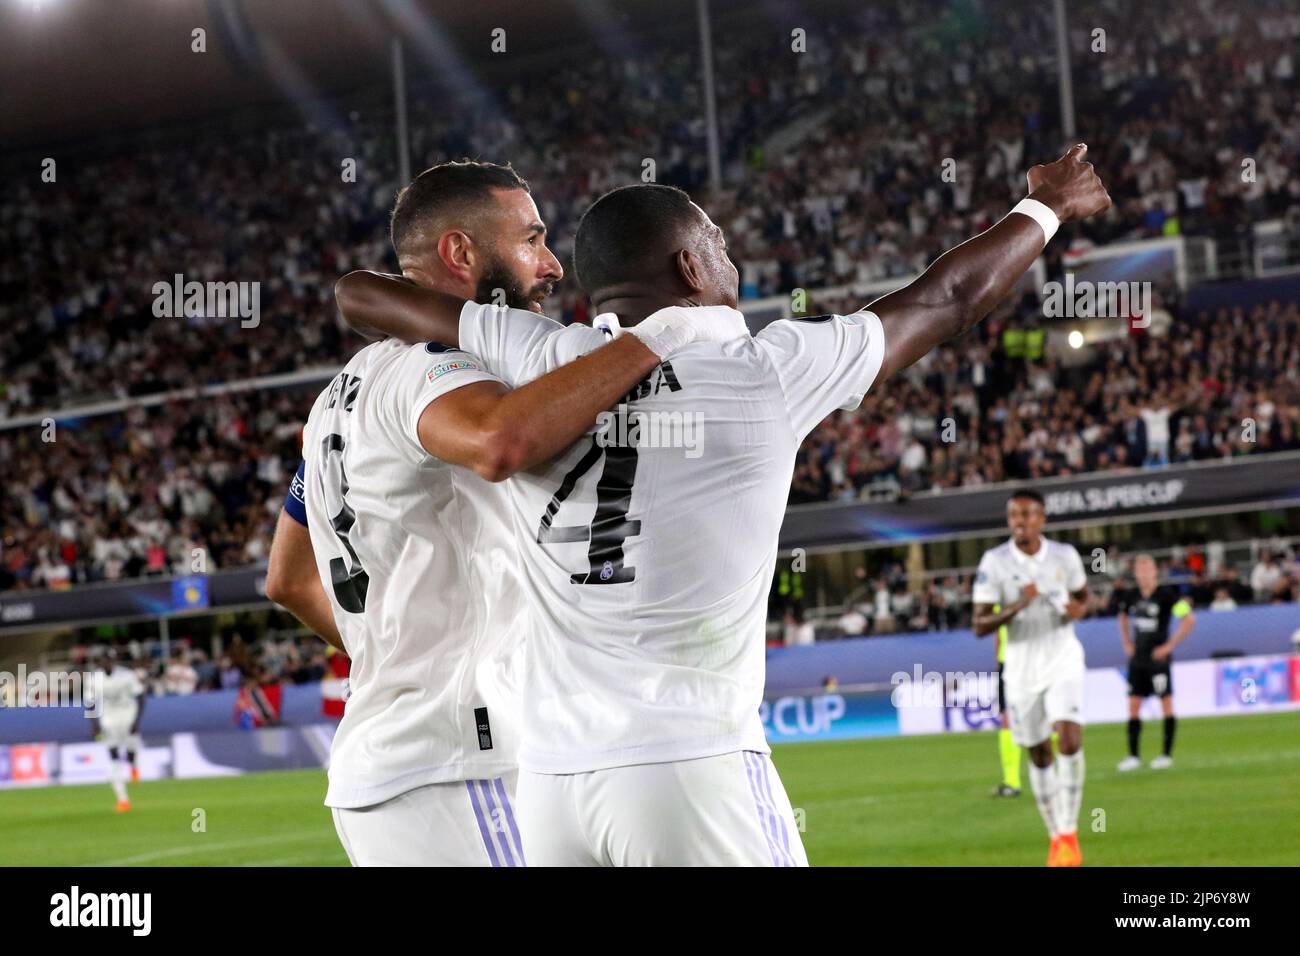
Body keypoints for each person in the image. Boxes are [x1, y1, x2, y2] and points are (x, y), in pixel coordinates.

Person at [337, 144, 1111, 866]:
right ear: (689, 265)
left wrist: (615, 335)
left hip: (549, 787)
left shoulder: (536, 354)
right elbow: (948, 299)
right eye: (718, 243)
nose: (730, 257)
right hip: (690, 762)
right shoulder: (769, 366)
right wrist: (1045, 207)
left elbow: (363, 295)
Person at [270, 160, 740, 866]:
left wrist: (397, 657)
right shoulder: (432, 368)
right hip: (460, 765)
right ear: (461, 253)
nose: (552, 265)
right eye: (531, 239)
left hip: (405, 767)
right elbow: (497, 441)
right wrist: (659, 338)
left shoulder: (339, 394)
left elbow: (288, 579)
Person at [973, 489, 1090, 866]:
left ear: (1042, 518)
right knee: (1039, 753)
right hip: (1021, 668)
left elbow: (1084, 598)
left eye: (1026, 515)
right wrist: (1019, 603)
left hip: (1063, 657)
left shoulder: (1064, 556)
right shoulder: (995, 562)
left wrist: (1078, 609)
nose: (1019, 523)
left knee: (1069, 739)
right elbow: (979, 624)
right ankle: (1056, 837)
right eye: (1013, 516)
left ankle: (1069, 832)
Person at [1115, 554, 1195, 771]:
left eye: (1147, 569)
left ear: (1155, 571)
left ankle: (1166, 755)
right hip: (1138, 660)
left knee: (1166, 703)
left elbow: (1188, 619)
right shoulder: (1131, 596)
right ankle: (1133, 756)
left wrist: (1168, 646)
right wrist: (1126, 642)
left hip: (1158, 660)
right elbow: (1122, 617)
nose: (1143, 574)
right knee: (1133, 705)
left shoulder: (1166, 596)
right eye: (1139, 570)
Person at [88, 648, 146, 812]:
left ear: (114, 661)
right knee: (113, 756)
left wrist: (137, 721)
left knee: (130, 752)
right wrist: (94, 725)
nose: (106, 662)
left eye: (109, 659)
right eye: (104, 659)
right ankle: (123, 800)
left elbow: (141, 697)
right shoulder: (94, 679)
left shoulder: (127, 676)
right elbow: (90, 702)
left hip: (128, 716)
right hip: (108, 720)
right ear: (100, 661)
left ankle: (133, 766)